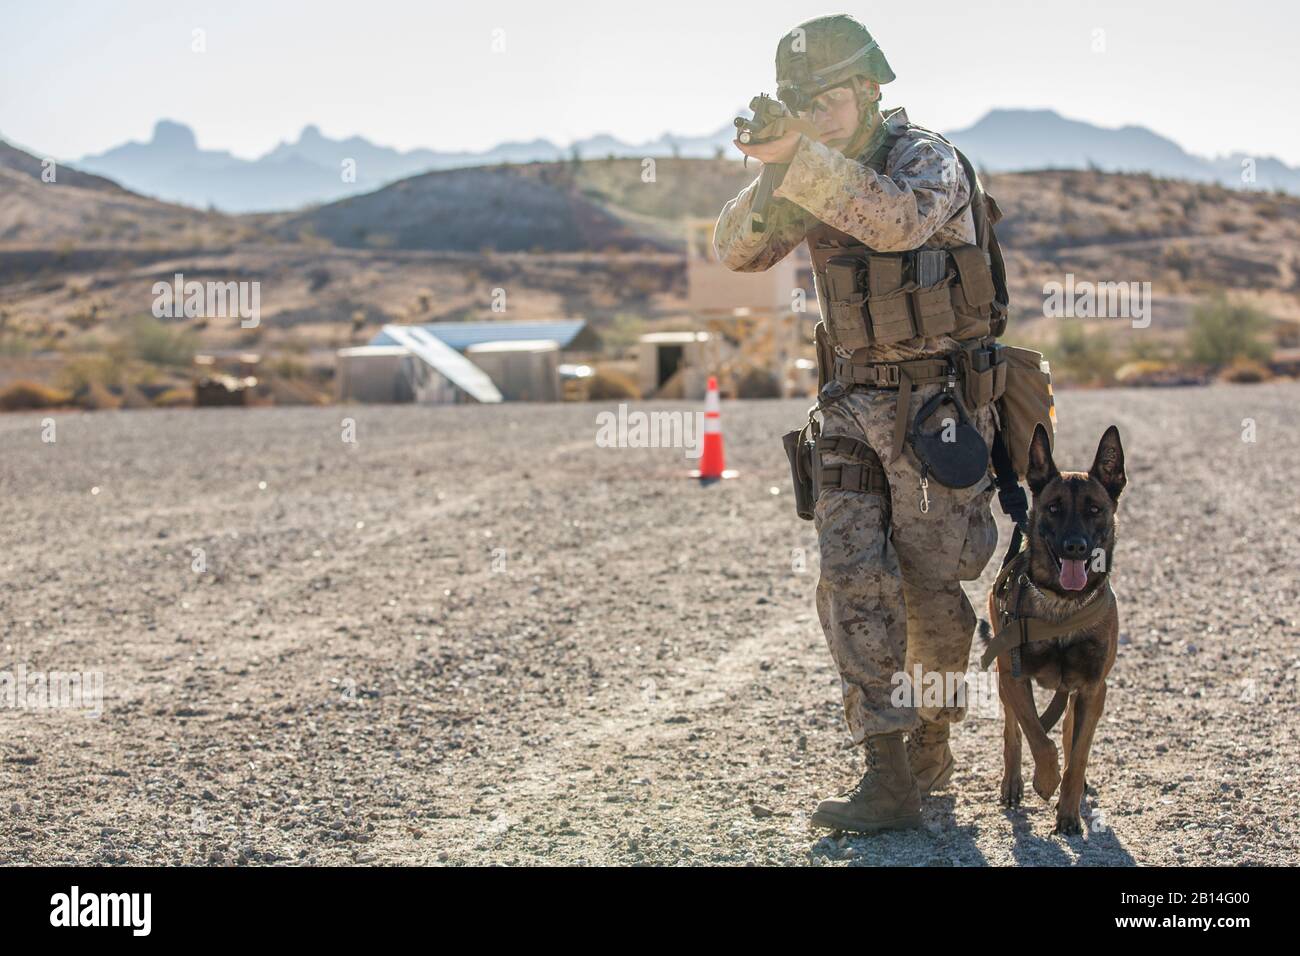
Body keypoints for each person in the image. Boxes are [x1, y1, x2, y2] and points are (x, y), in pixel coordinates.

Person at [714, 13, 1007, 832]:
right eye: (798, 101)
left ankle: (934, 731)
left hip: (935, 407)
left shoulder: (926, 158)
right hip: (847, 405)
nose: (815, 113)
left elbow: (898, 221)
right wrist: (776, 176)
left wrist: (799, 162)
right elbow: (734, 251)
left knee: (932, 590)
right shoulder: (809, 167)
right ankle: (885, 768)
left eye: (827, 97)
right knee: (850, 578)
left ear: (872, 88)